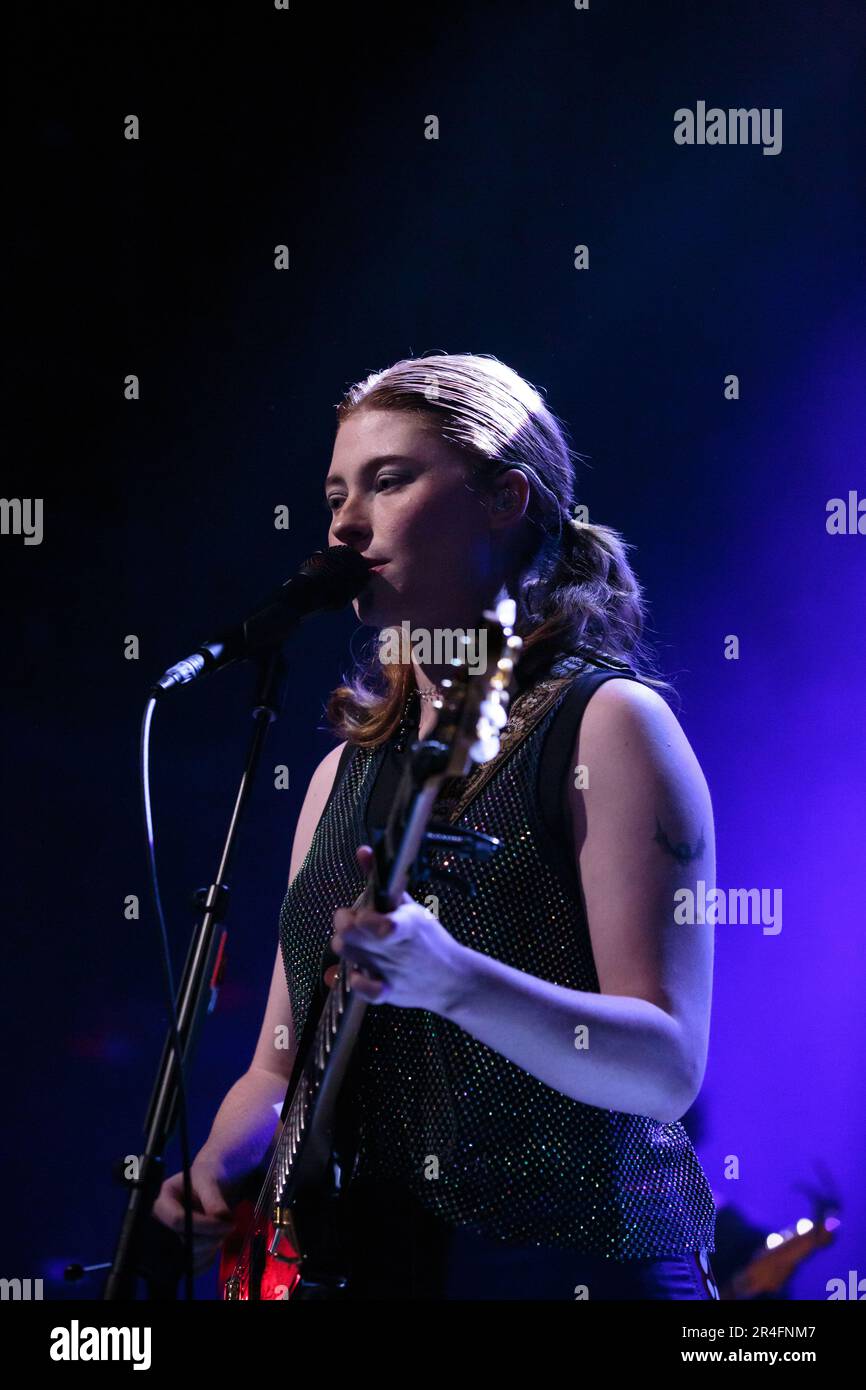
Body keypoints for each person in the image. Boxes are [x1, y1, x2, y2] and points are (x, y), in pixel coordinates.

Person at [154, 352, 720, 1300]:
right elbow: (279, 1060)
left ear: (506, 499)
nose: (344, 520)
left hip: (575, 1273)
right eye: (335, 491)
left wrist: (453, 982)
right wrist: (219, 1162)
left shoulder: (609, 725)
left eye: (389, 479)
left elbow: (664, 1068)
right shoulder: (339, 772)